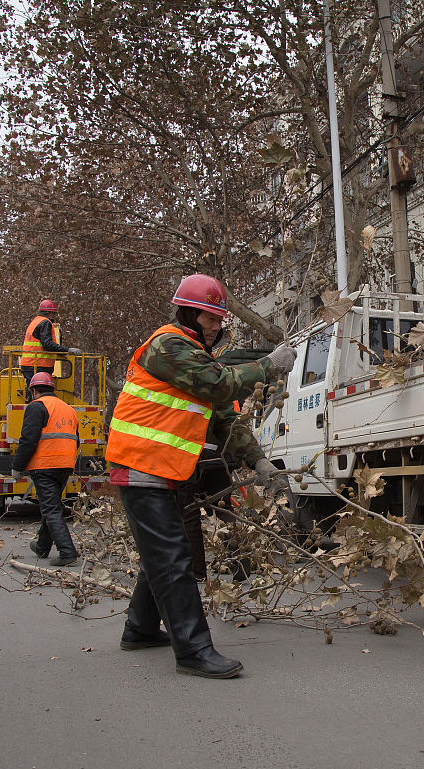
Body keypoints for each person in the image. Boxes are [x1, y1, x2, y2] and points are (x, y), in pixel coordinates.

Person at [104, 273, 297, 679]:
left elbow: (225, 417)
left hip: (161, 471)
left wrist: (260, 464)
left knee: (163, 555)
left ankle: (139, 628)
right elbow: (219, 384)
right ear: (189, 314)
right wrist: (267, 365)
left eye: (219, 319)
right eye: (211, 318)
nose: (217, 326)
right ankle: (193, 650)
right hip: (141, 467)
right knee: (175, 558)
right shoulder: (168, 345)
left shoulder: (195, 354)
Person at [11, 372, 80, 566]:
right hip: (65, 465)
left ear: (33, 390)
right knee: (52, 506)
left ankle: (67, 552)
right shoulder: (68, 409)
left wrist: (17, 467)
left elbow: (28, 440)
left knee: (50, 509)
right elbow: (77, 439)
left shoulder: (36, 406)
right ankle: (42, 546)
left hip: (44, 466)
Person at [20, 299, 81, 388]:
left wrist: (59, 352)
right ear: (50, 313)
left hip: (30, 365)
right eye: (54, 313)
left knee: (33, 393)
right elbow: (47, 344)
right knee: (39, 394)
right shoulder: (45, 323)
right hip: (38, 366)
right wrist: (67, 350)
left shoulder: (36, 321)